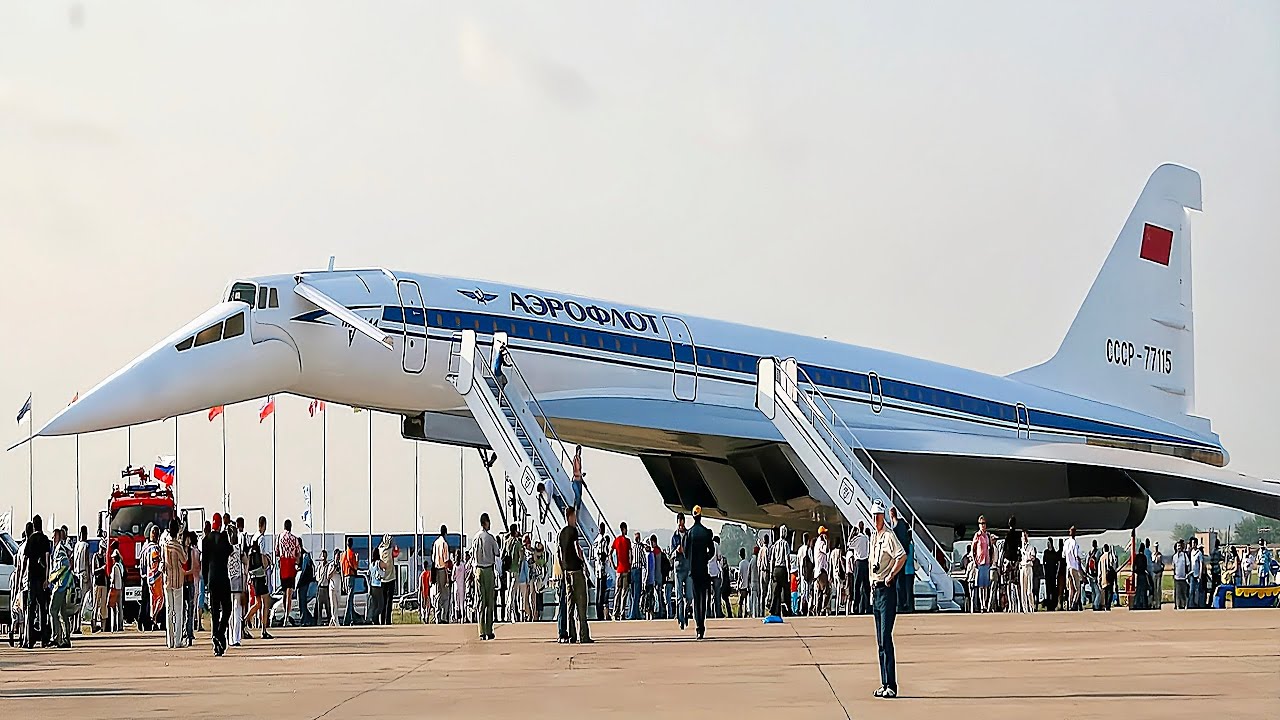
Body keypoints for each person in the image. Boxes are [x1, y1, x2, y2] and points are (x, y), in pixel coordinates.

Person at [870, 501, 907, 699]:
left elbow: (901, 556)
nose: (876, 519)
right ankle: (884, 682)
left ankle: (891, 684)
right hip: (876, 592)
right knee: (879, 641)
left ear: (883, 516)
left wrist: (891, 575)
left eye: (878, 515)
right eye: (874, 515)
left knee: (886, 637)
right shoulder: (874, 538)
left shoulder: (889, 536)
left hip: (886, 590)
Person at [558, 506, 593, 643]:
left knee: (570, 605)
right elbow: (577, 548)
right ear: (570, 517)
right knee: (581, 604)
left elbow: (560, 553)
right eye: (574, 516)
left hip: (566, 572)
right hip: (576, 571)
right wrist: (582, 562)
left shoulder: (561, 534)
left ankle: (572, 634)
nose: (576, 519)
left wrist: (563, 567)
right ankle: (583, 635)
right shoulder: (573, 531)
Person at [202, 514, 232, 655]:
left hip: (212, 579)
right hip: (223, 578)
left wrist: (206, 581)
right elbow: (230, 551)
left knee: (214, 611)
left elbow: (204, 563)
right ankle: (220, 632)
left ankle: (216, 641)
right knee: (227, 608)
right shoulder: (224, 538)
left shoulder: (205, 540)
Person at [21, 515, 52, 648]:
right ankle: (44, 639)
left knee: (31, 608)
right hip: (41, 578)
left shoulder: (31, 539)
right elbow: (47, 559)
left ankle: (30, 640)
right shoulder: (45, 539)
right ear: (41, 524)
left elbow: (25, 560)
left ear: (34, 525)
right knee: (43, 610)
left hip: (31, 578)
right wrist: (46, 578)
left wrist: (22, 575)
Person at [470, 512, 501, 640]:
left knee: (480, 600)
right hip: (488, 570)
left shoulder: (475, 538)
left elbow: (472, 555)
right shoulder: (491, 538)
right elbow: (497, 552)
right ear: (486, 522)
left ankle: (481, 631)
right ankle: (489, 630)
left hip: (478, 570)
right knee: (489, 601)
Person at [687, 505, 714, 640]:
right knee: (703, 599)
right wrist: (705, 558)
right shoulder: (706, 532)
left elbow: (686, 553)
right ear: (701, 516)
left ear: (693, 516)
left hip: (694, 571)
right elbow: (712, 551)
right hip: (704, 570)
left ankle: (698, 627)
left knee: (696, 600)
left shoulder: (689, 533)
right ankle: (702, 627)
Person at [162, 519, 187, 648]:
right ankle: (178, 640)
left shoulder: (165, 545)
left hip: (167, 580)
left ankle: (169, 640)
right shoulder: (178, 546)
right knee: (178, 611)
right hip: (178, 580)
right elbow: (184, 559)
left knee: (169, 610)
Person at [48, 528, 74, 648]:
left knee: (53, 610)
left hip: (59, 585)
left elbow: (64, 566)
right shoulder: (61, 549)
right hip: (63, 585)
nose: (52, 539)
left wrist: (54, 577)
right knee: (62, 613)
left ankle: (56, 637)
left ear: (58, 537)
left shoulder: (59, 550)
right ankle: (66, 638)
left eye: (54, 537)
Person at [670, 514, 693, 630]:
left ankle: (686, 612)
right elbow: (671, 553)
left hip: (688, 567)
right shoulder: (674, 536)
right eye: (679, 523)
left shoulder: (689, 535)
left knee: (689, 596)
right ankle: (680, 619)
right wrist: (676, 551)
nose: (681, 525)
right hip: (678, 568)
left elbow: (691, 550)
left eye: (682, 523)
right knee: (679, 596)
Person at [890, 509, 913, 613]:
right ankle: (904, 604)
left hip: (900, 560)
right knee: (905, 587)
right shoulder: (910, 545)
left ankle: (900, 605)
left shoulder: (896, 528)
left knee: (899, 584)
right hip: (907, 565)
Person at [503, 524, 525, 622]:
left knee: (509, 592)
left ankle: (509, 614)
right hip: (515, 570)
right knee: (513, 594)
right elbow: (521, 557)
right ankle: (510, 614)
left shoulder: (506, 542)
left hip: (508, 570)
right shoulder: (517, 543)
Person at [611, 522, 632, 622]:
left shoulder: (617, 540)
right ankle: (622, 612)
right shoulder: (627, 541)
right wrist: (630, 566)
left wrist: (613, 564)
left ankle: (615, 613)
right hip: (625, 569)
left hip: (619, 570)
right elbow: (630, 554)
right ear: (624, 529)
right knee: (624, 592)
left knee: (617, 592)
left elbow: (610, 553)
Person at [73, 526, 91, 634]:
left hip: (76, 574)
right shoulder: (86, 546)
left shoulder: (76, 546)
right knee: (82, 601)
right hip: (84, 574)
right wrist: (89, 578)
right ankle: (77, 625)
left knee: (76, 601)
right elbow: (87, 562)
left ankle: (74, 625)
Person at [767, 526, 789, 617]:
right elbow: (787, 558)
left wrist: (772, 572)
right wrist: (788, 571)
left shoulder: (775, 544)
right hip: (783, 568)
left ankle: (774, 610)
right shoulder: (785, 544)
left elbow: (772, 559)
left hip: (776, 568)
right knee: (785, 590)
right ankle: (786, 609)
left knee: (776, 591)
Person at [433, 527, 452, 623]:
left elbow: (433, 558)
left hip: (436, 570)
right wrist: (447, 577)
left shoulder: (436, 543)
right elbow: (445, 561)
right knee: (446, 595)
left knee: (438, 593)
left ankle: (437, 615)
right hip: (442, 570)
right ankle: (444, 616)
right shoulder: (444, 544)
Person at [593, 521, 611, 621]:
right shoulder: (603, 540)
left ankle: (598, 612)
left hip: (597, 569)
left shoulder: (595, 540)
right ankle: (600, 614)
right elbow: (602, 555)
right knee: (601, 592)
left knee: (598, 592)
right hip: (602, 569)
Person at [341, 537, 359, 626]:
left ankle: (352, 618)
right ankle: (347, 619)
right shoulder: (351, 554)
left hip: (345, 576)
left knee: (350, 599)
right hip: (351, 576)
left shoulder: (343, 554)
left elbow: (342, 568)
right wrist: (357, 559)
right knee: (350, 599)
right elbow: (355, 567)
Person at [814, 526, 831, 616]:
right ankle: (822, 609)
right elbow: (827, 550)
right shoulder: (821, 543)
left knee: (820, 592)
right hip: (822, 571)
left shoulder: (817, 543)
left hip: (818, 571)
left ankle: (817, 609)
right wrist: (827, 541)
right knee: (826, 591)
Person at [707, 535, 723, 619]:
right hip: (715, 572)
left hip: (706, 572)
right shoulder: (716, 545)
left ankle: (708, 613)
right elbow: (719, 557)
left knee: (707, 596)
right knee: (717, 595)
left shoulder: (704, 544)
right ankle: (718, 612)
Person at [1019, 531, 1035, 613]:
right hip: (1022, 567)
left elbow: (1033, 557)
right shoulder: (1020, 548)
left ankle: (1032, 607)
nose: (1024, 538)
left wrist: (1028, 556)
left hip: (1028, 567)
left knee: (1029, 590)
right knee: (1023, 590)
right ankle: (1024, 608)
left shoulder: (1031, 547)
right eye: (1023, 536)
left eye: (1025, 536)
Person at [630, 531, 645, 620]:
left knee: (635, 594)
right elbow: (643, 561)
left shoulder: (635, 547)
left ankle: (634, 613)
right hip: (635, 570)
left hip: (635, 570)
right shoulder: (637, 547)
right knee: (635, 593)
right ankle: (635, 613)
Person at [1189, 538, 1204, 609]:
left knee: (1197, 591)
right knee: (1191, 590)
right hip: (1192, 574)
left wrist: (1200, 575)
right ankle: (1191, 605)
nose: (1193, 544)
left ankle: (1198, 604)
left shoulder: (1199, 553)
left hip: (1197, 574)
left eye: (1195, 543)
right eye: (1192, 543)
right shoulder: (1191, 552)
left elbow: (1201, 564)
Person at [571, 445, 585, 513]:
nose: (580, 452)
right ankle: (575, 509)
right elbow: (575, 472)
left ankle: (577, 510)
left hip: (579, 480)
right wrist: (581, 474)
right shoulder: (575, 459)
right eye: (579, 451)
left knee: (579, 497)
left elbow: (579, 471)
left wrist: (583, 481)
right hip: (575, 480)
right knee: (578, 496)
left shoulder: (579, 458)